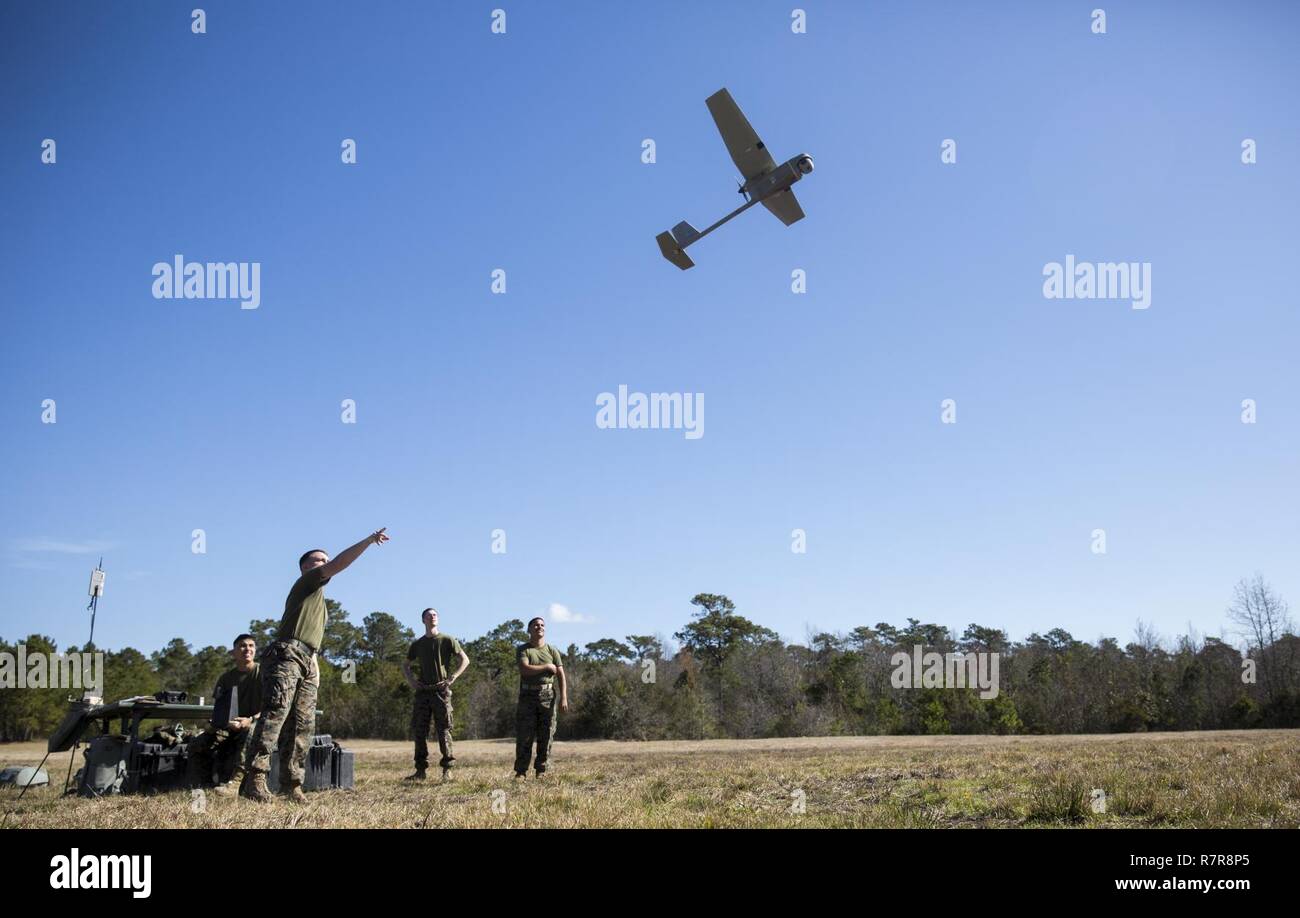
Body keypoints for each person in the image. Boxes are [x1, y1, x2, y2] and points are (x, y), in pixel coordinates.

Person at [240, 527, 389, 803]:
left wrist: (314, 664)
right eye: (319, 560)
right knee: (275, 716)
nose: (324, 564)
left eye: (325, 560)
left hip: (307, 659)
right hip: (287, 654)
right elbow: (339, 564)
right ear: (305, 568)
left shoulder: (319, 599)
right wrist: (369, 540)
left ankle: (291, 784)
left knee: (302, 725)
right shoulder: (307, 582)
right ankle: (254, 780)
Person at [402, 608, 469, 781]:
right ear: (423, 620)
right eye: (429, 615)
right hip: (423, 692)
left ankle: (448, 769)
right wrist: (412, 681)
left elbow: (465, 659)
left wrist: (452, 677)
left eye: (435, 615)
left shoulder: (447, 640)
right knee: (419, 731)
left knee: (444, 730)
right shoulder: (418, 644)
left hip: (441, 692)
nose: (432, 617)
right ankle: (420, 771)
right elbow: (406, 665)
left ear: (437, 619)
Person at [193, 634, 262, 795]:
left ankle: (234, 784)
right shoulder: (226, 678)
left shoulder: (263, 674)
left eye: (251, 646)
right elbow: (220, 708)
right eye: (243, 646)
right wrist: (221, 722)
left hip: (256, 723)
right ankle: (203, 785)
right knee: (198, 742)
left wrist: (249, 720)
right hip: (230, 726)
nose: (248, 649)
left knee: (250, 732)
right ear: (234, 652)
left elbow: (271, 707)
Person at [514, 616, 568, 779]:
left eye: (542, 625)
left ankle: (541, 770)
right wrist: (546, 667)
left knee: (546, 734)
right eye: (535, 625)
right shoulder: (523, 649)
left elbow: (561, 675)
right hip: (527, 695)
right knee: (525, 735)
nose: (539, 627)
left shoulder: (552, 650)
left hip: (548, 695)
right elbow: (525, 669)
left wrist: (564, 697)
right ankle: (521, 772)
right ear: (529, 630)